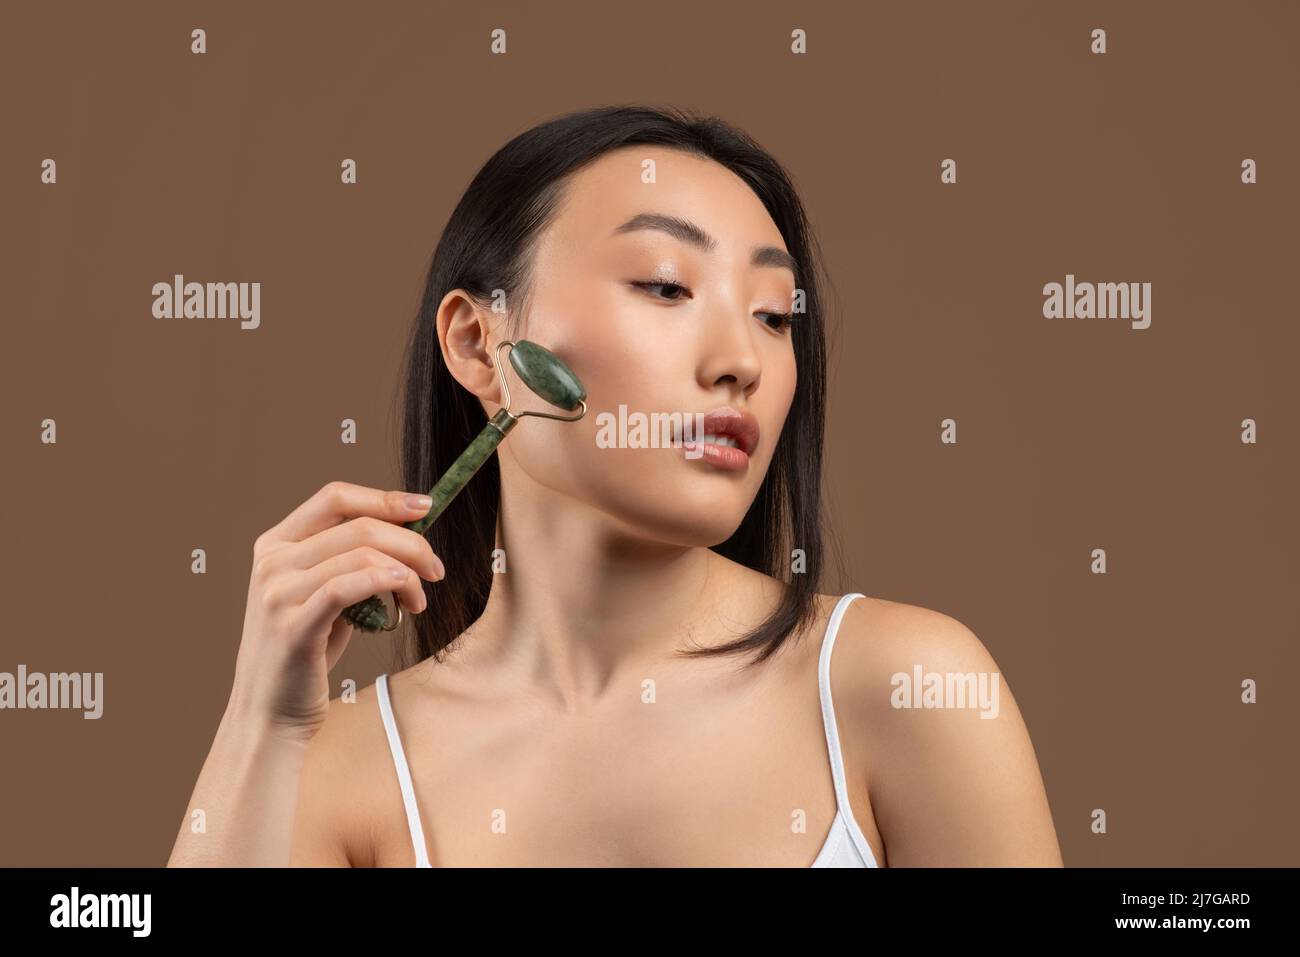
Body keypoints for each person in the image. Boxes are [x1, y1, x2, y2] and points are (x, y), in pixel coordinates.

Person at [168, 105, 1062, 867]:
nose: (741, 361)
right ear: (480, 346)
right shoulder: (343, 766)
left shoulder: (902, 686)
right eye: (666, 285)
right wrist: (262, 722)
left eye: (774, 315)